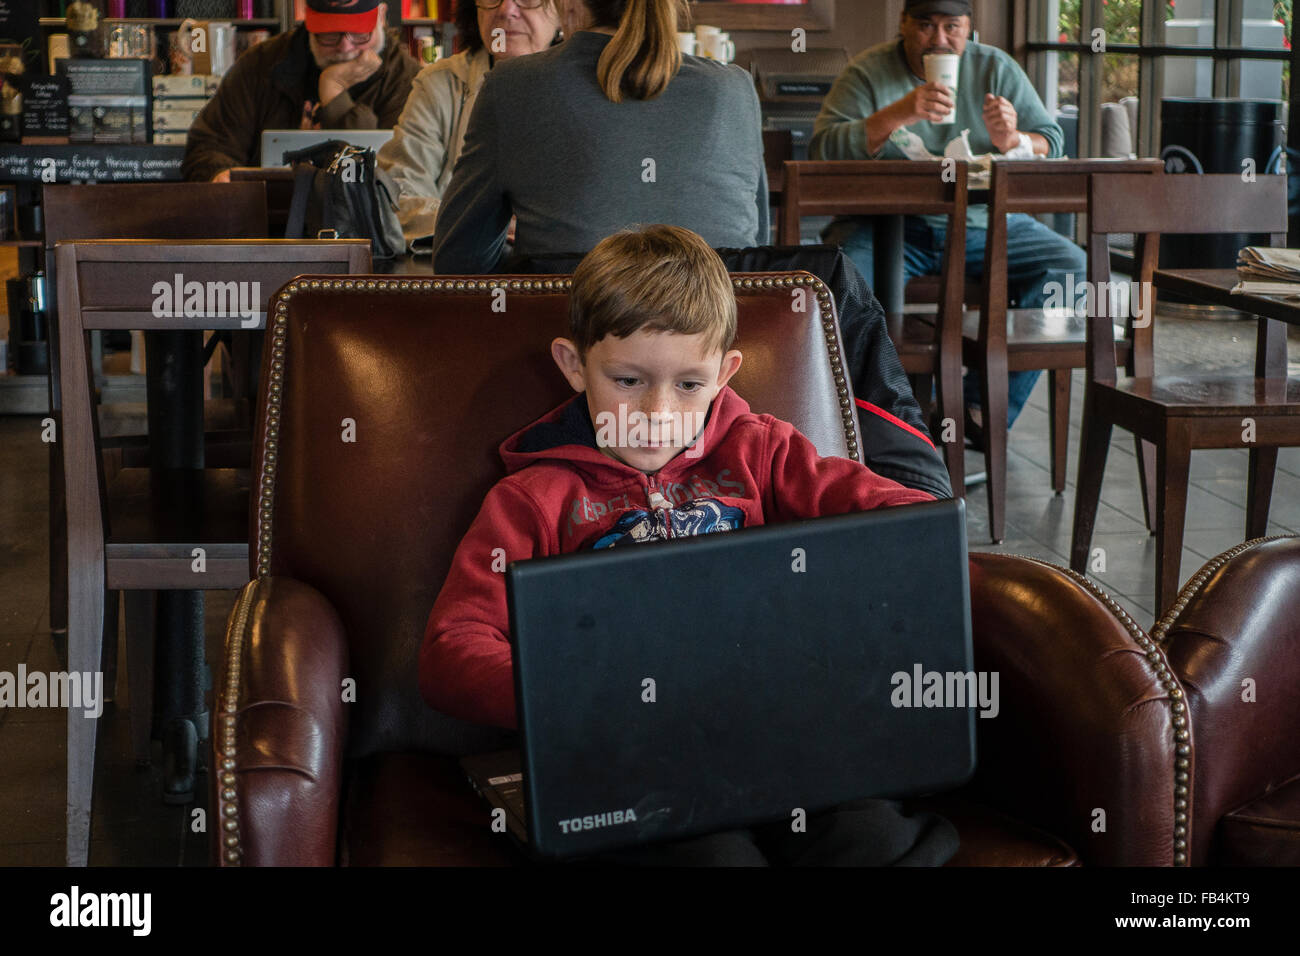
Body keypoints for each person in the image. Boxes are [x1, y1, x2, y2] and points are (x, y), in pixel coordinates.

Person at [420, 224, 958, 866]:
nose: (656, 411)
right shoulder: (534, 498)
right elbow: (453, 649)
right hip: (631, 754)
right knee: (714, 858)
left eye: (688, 385)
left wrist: (918, 545)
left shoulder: (763, 451)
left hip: (773, 732)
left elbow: (903, 519)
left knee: (874, 839)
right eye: (626, 381)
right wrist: (574, 695)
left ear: (726, 373)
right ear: (573, 365)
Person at [810, 0, 1084, 439]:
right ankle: (871, 422)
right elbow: (822, 149)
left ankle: (978, 409)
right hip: (885, 225)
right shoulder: (868, 71)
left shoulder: (994, 68)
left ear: (968, 28)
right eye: (925, 26)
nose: (939, 39)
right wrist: (899, 112)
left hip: (983, 224)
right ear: (903, 25)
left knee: (1071, 267)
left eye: (951, 27)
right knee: (839, 284)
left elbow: (1052, 141)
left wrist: (1014, 139)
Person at [431, 0, 768, 274]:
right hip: (721, 349)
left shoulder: (512, 86)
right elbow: (755, 256)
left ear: (569, 5)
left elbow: (459, 263)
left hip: (566, 347)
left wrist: (530, 264)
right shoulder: (735, 89)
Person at [377, 0, 563, 250]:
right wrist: (489, 226)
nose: (506, 10)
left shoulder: (592, 86)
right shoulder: (440, 84)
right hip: (465, 276)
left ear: (566, 9)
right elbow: (398, 197)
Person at [183, 0, 420, 183]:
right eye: (330, 34)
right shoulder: (261, 64)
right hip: (267, 222)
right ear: (309, 22)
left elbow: (383, 172)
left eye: (359, 33)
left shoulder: (406, 79)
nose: (345, 46)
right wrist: (219, 173)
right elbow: (208, 146)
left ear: (382, 16)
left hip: (368, 232)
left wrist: (334, 92)